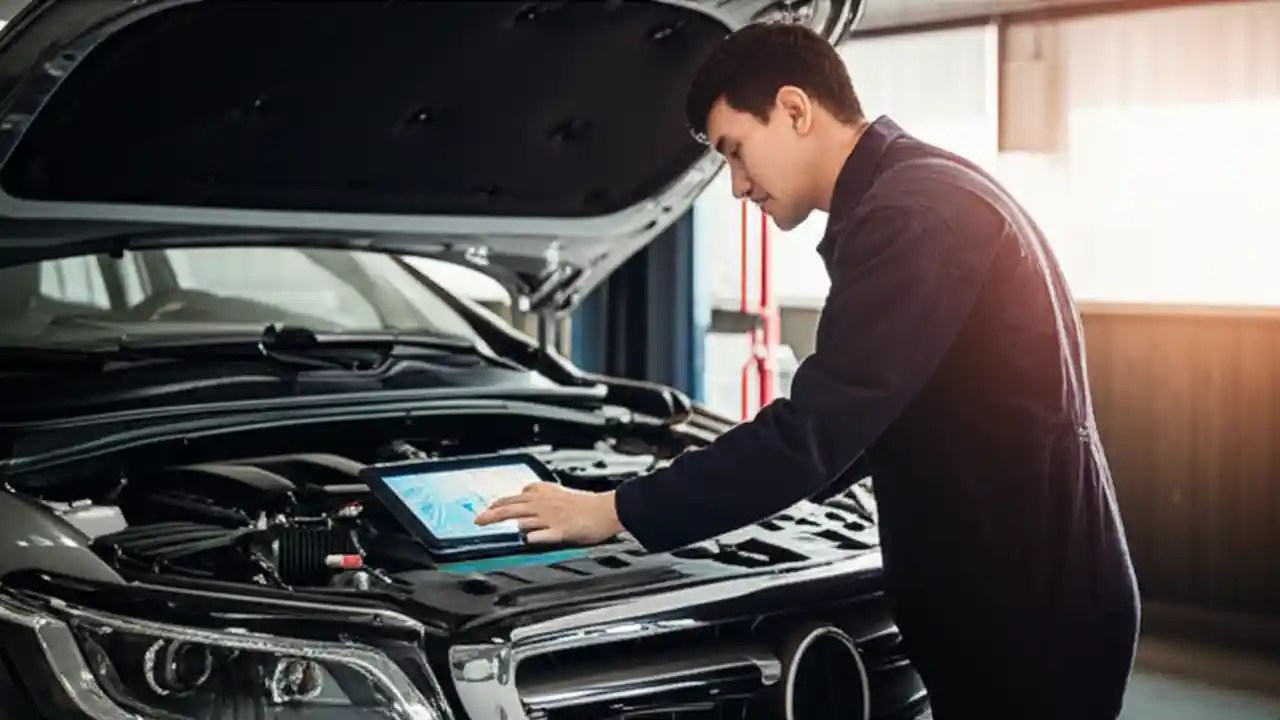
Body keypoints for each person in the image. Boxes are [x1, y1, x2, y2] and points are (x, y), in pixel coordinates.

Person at [476, 22, 1140, 719]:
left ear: (795, 110)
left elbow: (817, 432)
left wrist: (613, 510)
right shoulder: (923, 189)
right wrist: (713, 479)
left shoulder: (912, 215)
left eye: (736, 152)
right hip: (1026, 593)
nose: (736, 187)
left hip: (1025, 617)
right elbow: (879, 420)